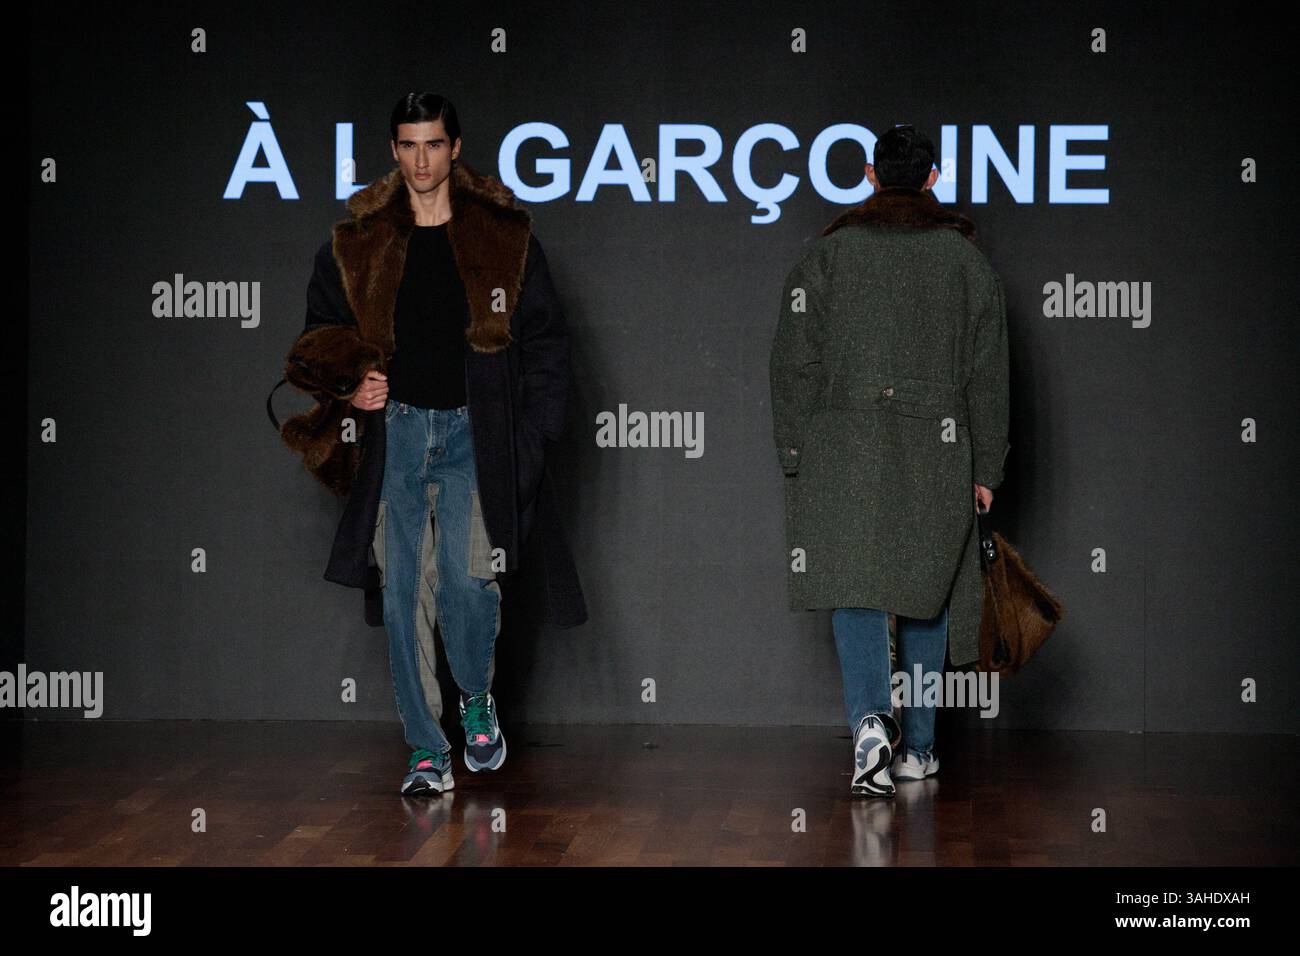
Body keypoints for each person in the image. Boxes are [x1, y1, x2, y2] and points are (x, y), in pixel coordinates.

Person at [279, 93, 588, 797]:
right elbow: (316, 338)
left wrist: (530, 440)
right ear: (394, 150)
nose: (421, 160)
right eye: (409, 146)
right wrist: (352, 384)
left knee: (470, 586)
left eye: (434, 145)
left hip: (476, 436)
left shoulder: (504, 239)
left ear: (455, 148)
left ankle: (475, 697)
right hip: (398, 434)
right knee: (401, 599)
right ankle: (426, 749)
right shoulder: (357, 243)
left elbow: (545, 344)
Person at [769, 125, 1010, 798]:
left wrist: (795, 449)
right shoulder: (967, 264)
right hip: (939, 444)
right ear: (933, 178)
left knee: (856, 584)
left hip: (842, 443)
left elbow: (792, 359)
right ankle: (921, 749)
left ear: (871, 175)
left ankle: (871, 721)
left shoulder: (828, 256)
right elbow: (990, 372)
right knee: (928, 593)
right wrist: (986, 466)